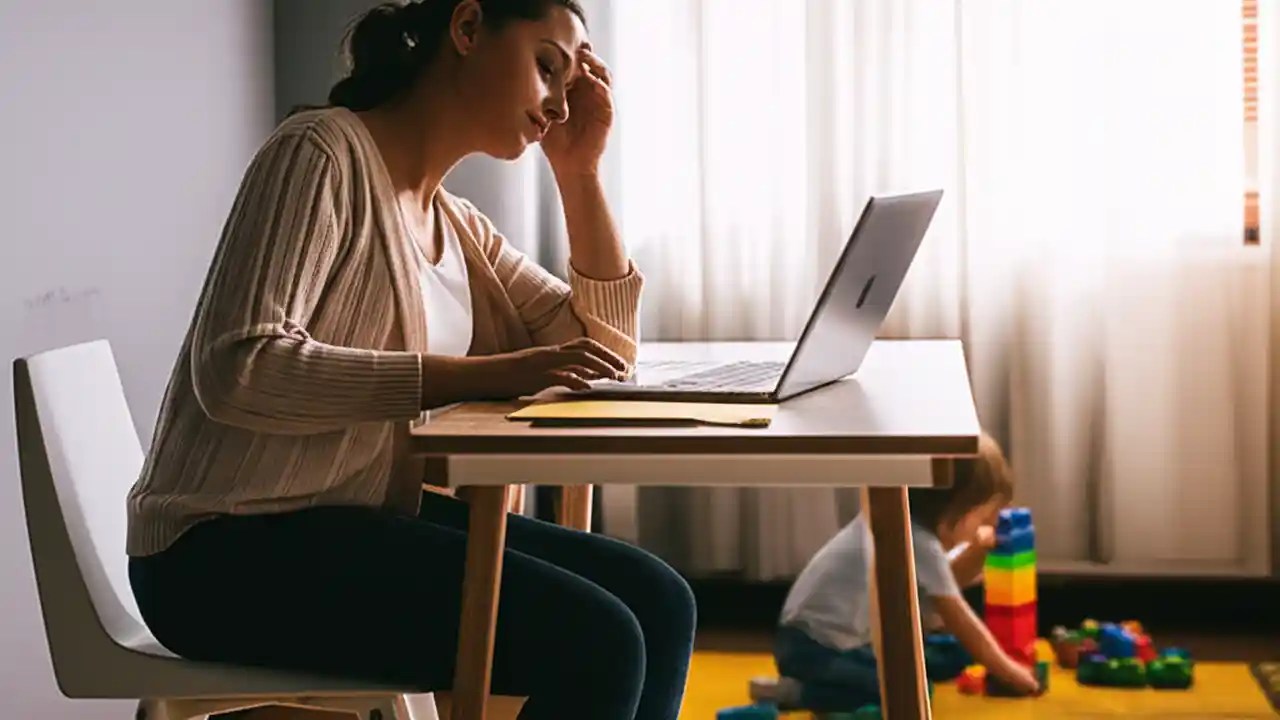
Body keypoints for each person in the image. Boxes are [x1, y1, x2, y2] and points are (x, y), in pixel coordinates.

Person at [124, 2, 696, 719]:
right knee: (598, 640)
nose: (558, 100)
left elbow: (605, 356)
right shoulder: (318, 153)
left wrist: (579, 172)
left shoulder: (455, 223)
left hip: (351, 516)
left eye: (571, 79)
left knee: (661, 601)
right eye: (547, 66)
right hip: (221, 552)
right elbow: (240, 368)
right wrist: (482, 375)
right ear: (465, 30)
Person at [756, 432, 1039, 713]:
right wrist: (1010, 673)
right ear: (954, 509)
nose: (984, 524)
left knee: (955, 654)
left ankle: (826, 683)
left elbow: (944, 585)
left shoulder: (900, 525)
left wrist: (979, 551)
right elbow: (957, 616)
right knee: (908, 692)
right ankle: (797, 693)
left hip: (840, 642)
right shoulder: (915, 540)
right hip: (813, 649)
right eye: (981, 516)